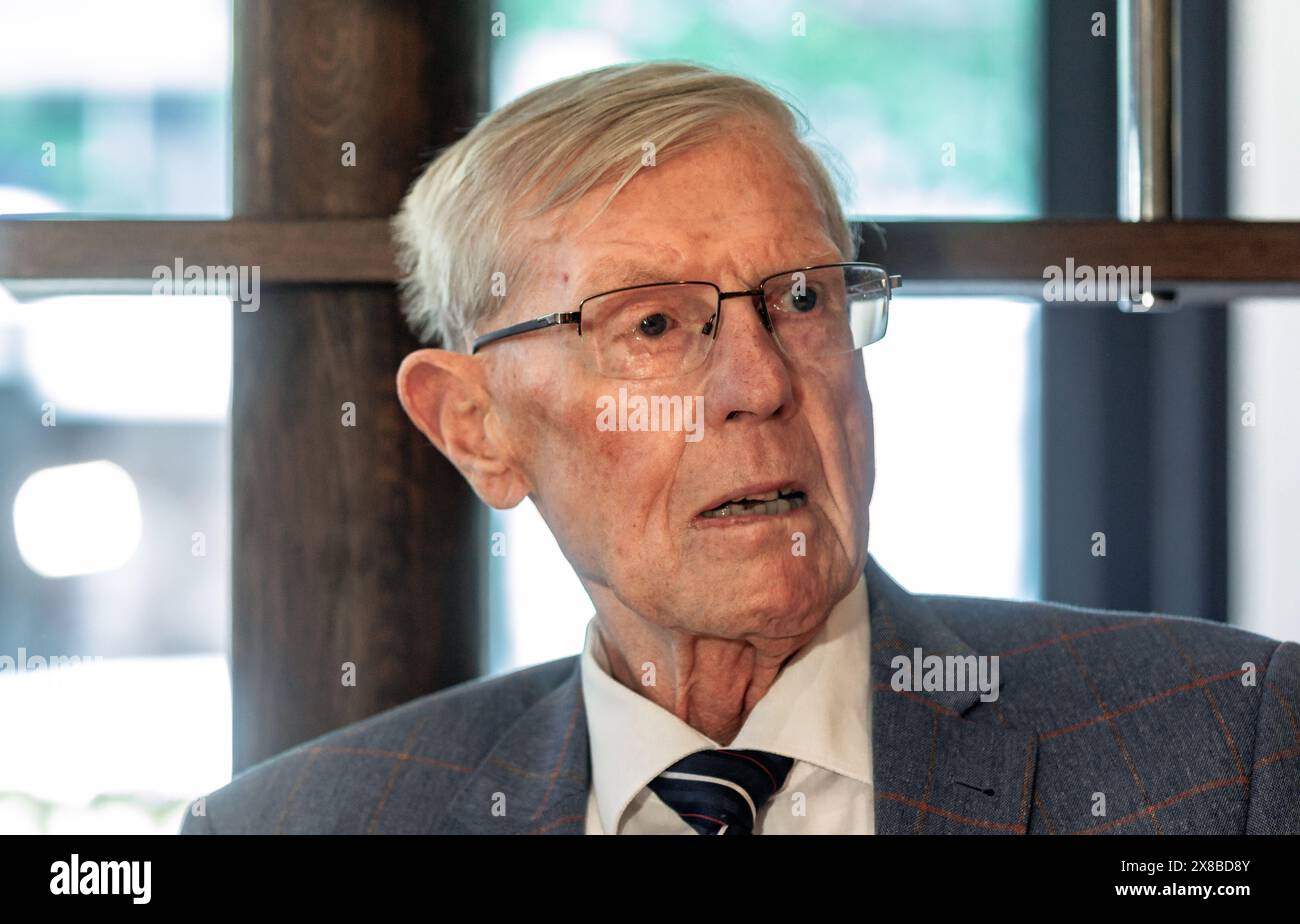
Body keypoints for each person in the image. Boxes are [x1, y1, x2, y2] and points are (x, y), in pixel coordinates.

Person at [182, 62, 1298, 835]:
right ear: (475, 428)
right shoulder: (294, 824)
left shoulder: (1223, 745)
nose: (760, 383)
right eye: (654, 325)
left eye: (802, 298)